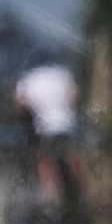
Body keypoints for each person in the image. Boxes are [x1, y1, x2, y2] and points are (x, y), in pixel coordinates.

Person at [14, 61, 85, 212]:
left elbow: (20, 102)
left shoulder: (27, 78)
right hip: (67, 124)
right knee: (73, 160)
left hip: (44, 127)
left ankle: (51, 199)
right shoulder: (63, 74)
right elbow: (74, 94)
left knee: (46, 163)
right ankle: (82, 192)